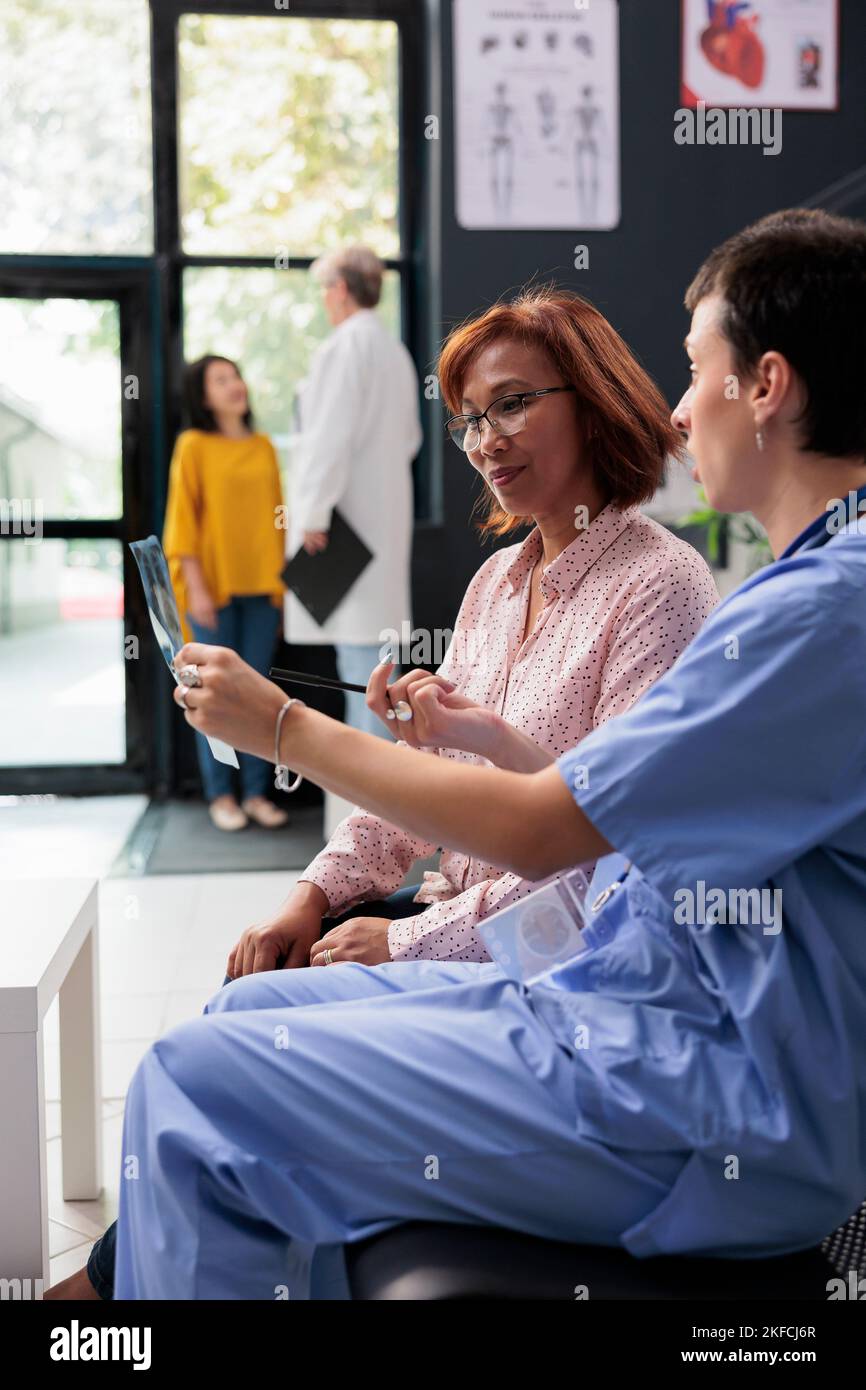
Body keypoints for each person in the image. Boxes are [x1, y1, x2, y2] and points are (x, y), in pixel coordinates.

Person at [60, 208, 866, 1300]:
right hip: (621, 1000)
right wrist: (372, 836)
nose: (681, 408)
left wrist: (288, 732)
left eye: (695, 370)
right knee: (246, 1018)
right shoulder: (764, 592)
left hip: (691, 1080)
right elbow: (606, 809)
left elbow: (557, 835)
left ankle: (131, 1290)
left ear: (763, 384)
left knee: (191, 1084)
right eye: (468, 418)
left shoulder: (779, 605)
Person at [230, 285, 720, 972]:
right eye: (468, 420)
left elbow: (608, 851)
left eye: (512, 404)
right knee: (244, 994)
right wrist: (309, 896)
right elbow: (424, 785)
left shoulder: (661, 584)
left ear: (594, 401)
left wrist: (404, 943)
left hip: (556, 962)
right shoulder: (495, 584)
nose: (486, 442)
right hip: (456, 928)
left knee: (238, 1034)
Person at [287, 244, 422, 745]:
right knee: (378, 669)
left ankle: (370, 810)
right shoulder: (394, 352)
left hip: (345, 529)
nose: (325, 300)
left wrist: (314, 513)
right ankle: (380, 807)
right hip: (380, 523)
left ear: (340, 289)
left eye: (325, 289)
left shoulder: (344, 348)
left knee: (361, 674)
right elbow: (410, 440)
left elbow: (328, 439)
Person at [163, 355, 287, 833]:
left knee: (256, 694)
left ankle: (255, 792)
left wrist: (281, 590)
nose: (235, 385)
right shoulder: (193, 445)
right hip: (208, 589)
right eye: (221, 380)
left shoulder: (263, 447)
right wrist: (194, 584)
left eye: (236, 375)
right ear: (203, 396)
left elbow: (279, 517)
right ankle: (221, 794)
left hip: (262, 589)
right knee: (207, 693)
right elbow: (183, 519)